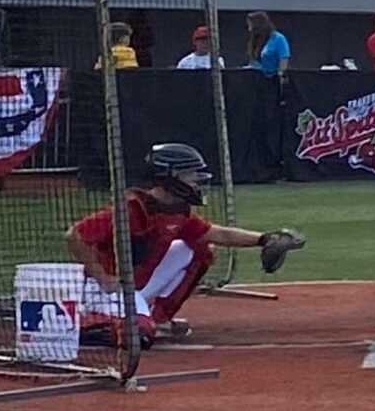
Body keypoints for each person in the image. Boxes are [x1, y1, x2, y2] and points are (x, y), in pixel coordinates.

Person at [67, 143, 301, 346]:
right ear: (170, 177)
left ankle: (159, 318)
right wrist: (103, 277)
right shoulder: (131, 208)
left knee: (200, 249)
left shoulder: (178, 210)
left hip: (136, 283)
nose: (197, 182)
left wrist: (263, 239)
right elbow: (75, 235)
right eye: (191, 176)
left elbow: (217, 234)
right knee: (139, 336)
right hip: (107, 290)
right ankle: (82, 325)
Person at [246, 11, 288, 77]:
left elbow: (283, 61)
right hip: (255, 79)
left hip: (271, 79)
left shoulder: (279, 38)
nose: (249, 30)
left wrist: (281, 77)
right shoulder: (256, 40)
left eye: (251, 26)